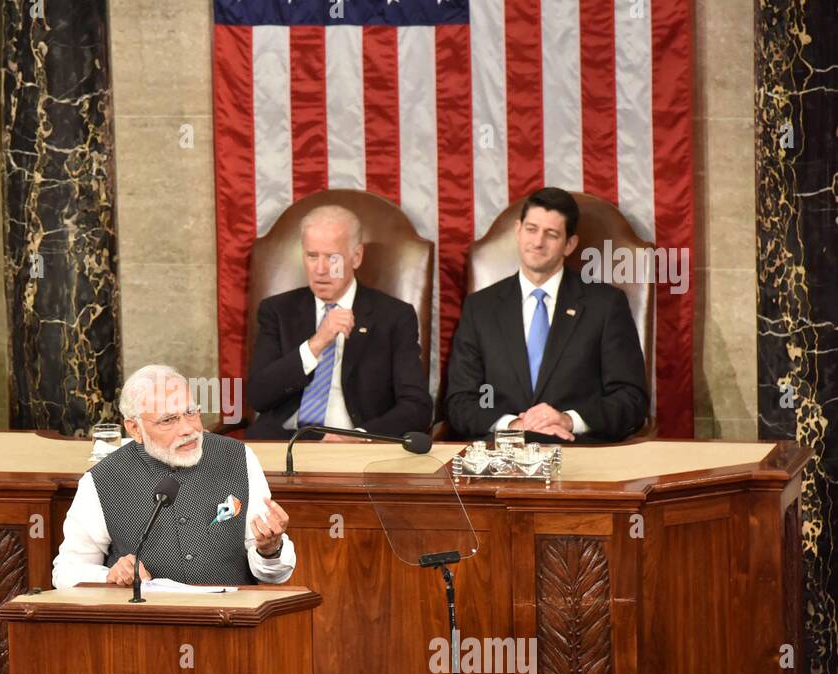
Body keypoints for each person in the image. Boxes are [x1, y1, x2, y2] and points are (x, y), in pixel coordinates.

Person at [52, 364, 295, 588]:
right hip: (146, 626)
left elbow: (274, 574)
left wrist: (270, 549)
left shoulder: (238, 458)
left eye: (191, 413)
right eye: (168, 420)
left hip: (232, 622)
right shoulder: (102, 480)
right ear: (135, 428)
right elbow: (65, 573)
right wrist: (108, 575)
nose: (188, 429)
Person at [444, 187, 648, 443]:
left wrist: (568, 420)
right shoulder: (480, 308)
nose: (538, 242)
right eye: (531, 229)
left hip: (580, 457)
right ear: (518, 231)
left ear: (569, 244)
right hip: (502, 456)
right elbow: (460, 401)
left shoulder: (605, 305)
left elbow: (631, 399)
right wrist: (517, 425)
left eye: (551, 234)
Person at [244, 204, 432, 441]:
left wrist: (361, 436)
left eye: (332, 258)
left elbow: (417, 407)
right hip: (290, 442)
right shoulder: (277, 311)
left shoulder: (394, 316)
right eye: (312, 256)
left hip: (358, 447)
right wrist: (316, 343)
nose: (321, 270)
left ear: (356, 257)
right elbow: (258, 396)